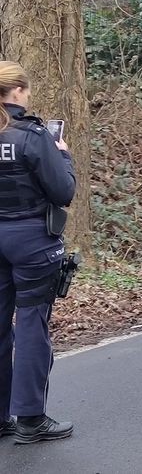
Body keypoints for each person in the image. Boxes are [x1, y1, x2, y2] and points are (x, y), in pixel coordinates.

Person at [0, 61, 76, 444]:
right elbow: (63, 192)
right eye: (26, 92)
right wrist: (63, 155)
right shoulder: (32, 135)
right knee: (31, 325)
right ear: (16, 92)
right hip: (31, 239)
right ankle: (30, 418)